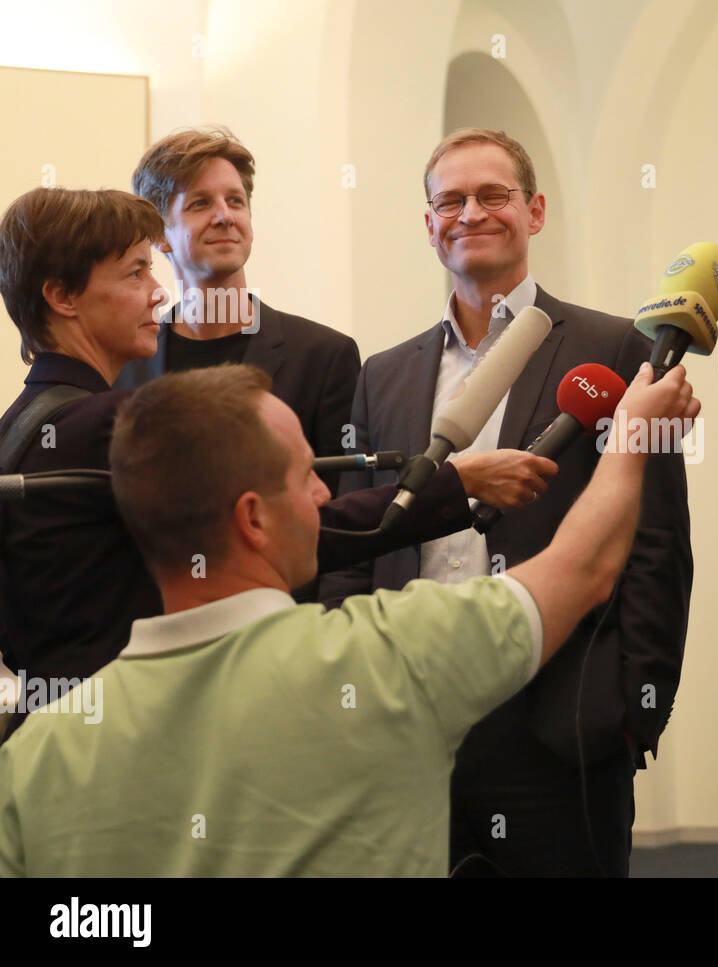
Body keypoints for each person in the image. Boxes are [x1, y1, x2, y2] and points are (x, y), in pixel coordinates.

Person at [0, 361, 700, 876]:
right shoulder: (393, 656)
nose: (323, 493)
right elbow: (586, 565)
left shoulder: (35, 758)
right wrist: (633, 430)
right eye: (306, 475)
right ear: (252, 518)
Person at [317, 129, 692, 877]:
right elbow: (354, 551)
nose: (470, 213)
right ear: (428, 225)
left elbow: (657, 543)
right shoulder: (382, 375)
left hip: (558, 718)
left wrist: (631, 709)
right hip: (408, 719)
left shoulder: (615, 349)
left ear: (536, 211)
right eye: (449, 200)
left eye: (494, 195)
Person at [0, 187, 475, 741]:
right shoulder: (116, 424)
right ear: (62, 296)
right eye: (134, 275)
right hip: (139, 739)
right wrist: (454, 489)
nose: (158, 294)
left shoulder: (18, 425)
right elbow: (271, 535)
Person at [115, 127, 360, 499]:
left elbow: (347, 513)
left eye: (235, 200)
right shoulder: (125, 365)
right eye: (200, 203)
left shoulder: (324, 357)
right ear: (160, 234)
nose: (224, 216)